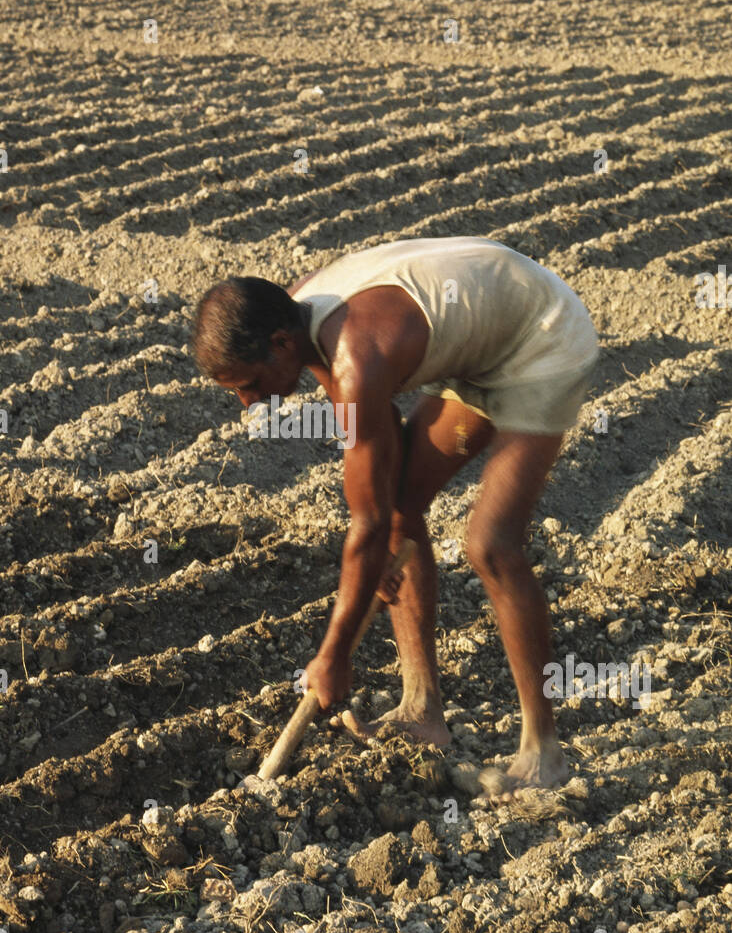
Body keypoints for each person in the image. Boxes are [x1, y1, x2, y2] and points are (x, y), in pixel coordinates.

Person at [192, 237, 598, 796]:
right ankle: (422, 711)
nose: (250, 403)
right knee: (404, 506)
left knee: (491, 544)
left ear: (281, 343)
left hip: (541, 339)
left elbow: (365, 524)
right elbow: (380, 508)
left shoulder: (356, 356)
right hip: (482, 346)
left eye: (251, 385)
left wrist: (333, 655)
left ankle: (542, 751)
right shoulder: (291, 315)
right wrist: (379, 545)